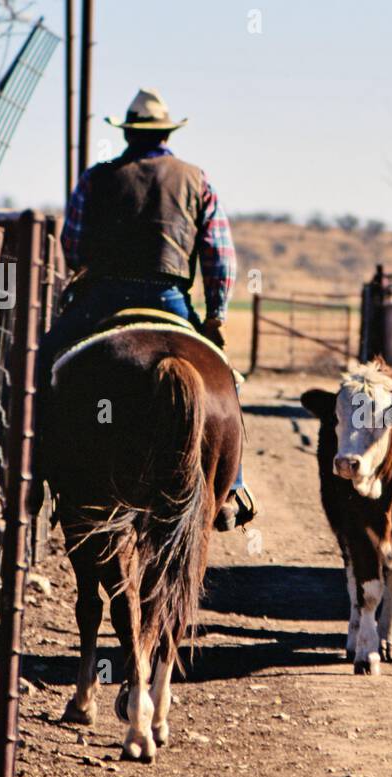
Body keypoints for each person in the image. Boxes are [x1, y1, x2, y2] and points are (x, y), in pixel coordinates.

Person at [43, 88, 256, 528]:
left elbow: (73, 245)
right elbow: (219, 256)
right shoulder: (196, 179)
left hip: (103, 296)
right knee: (227, 382)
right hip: (170, 298)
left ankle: (33, 468)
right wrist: (215, 316)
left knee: (43, 363)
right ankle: (232, 485)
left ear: (128, 134)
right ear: (165, 132)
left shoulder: (96, 178)